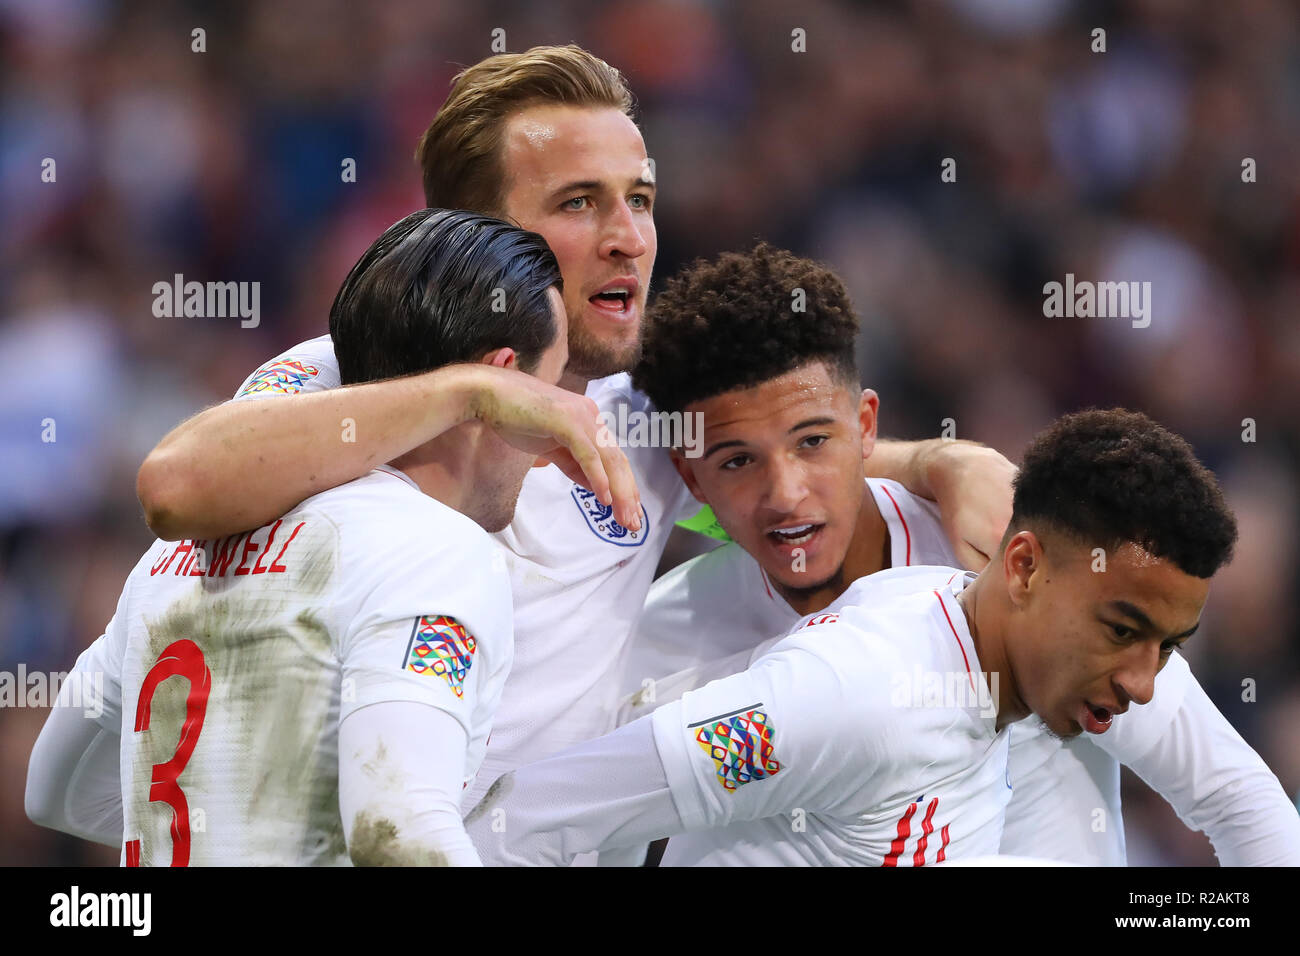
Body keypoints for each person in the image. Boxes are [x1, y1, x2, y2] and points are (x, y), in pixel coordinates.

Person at [132, 46, 1015, 811]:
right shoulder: (345, 371)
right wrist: (473, 394)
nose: (629, 238)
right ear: (470, 237)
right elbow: (177, 486)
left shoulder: (646, 416)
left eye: (640, 198)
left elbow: (793, 458)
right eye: (580, 204)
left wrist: (942, 459)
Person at [608, 245, 1299, 866]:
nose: (786, 493)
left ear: (865, 427)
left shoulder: (1002, 556)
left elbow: (1234, 797)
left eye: (813, 442)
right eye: (738, 460)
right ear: (692, 473)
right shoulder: (668, 636)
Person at [465, 406, 1242, 866]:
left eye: (1167, 646)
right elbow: (530, 814)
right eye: (1122, 630)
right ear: (1026, 566)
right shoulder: (856, 698)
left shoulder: (966, 650)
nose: (1144, 683)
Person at [25, 208, 569, 865]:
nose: (545, 449)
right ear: (501, 380)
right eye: (548, 397)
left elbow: (54, 792)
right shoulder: (437, 551)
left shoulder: (172, 557)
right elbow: (399, 836)